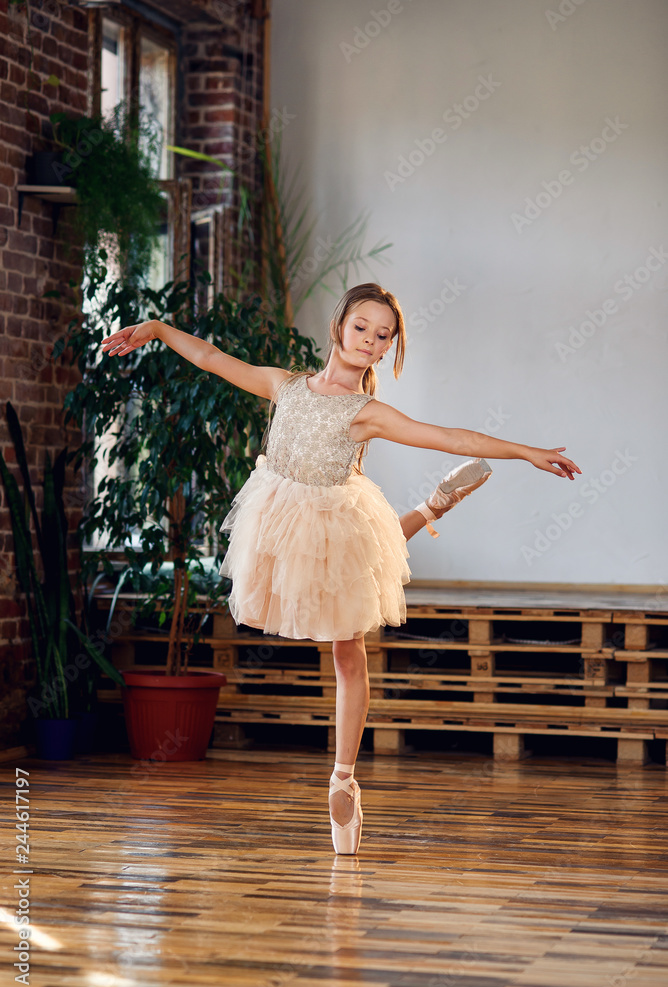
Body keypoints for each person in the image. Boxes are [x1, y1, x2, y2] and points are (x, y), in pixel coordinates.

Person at [101, 282, 582, 855]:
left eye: (383, 336)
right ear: (339, 327)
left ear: (386, 350)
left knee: (347, 645)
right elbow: (211, 359)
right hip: (281, 515)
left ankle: (343, 778)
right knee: (364, 554)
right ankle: (433, 507)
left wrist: (528, 451)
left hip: (334, 510)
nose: (370, 340)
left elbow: (450, 437)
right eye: (362, 327)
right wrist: (154, 329)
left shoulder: (367, 413)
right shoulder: (284, 385)